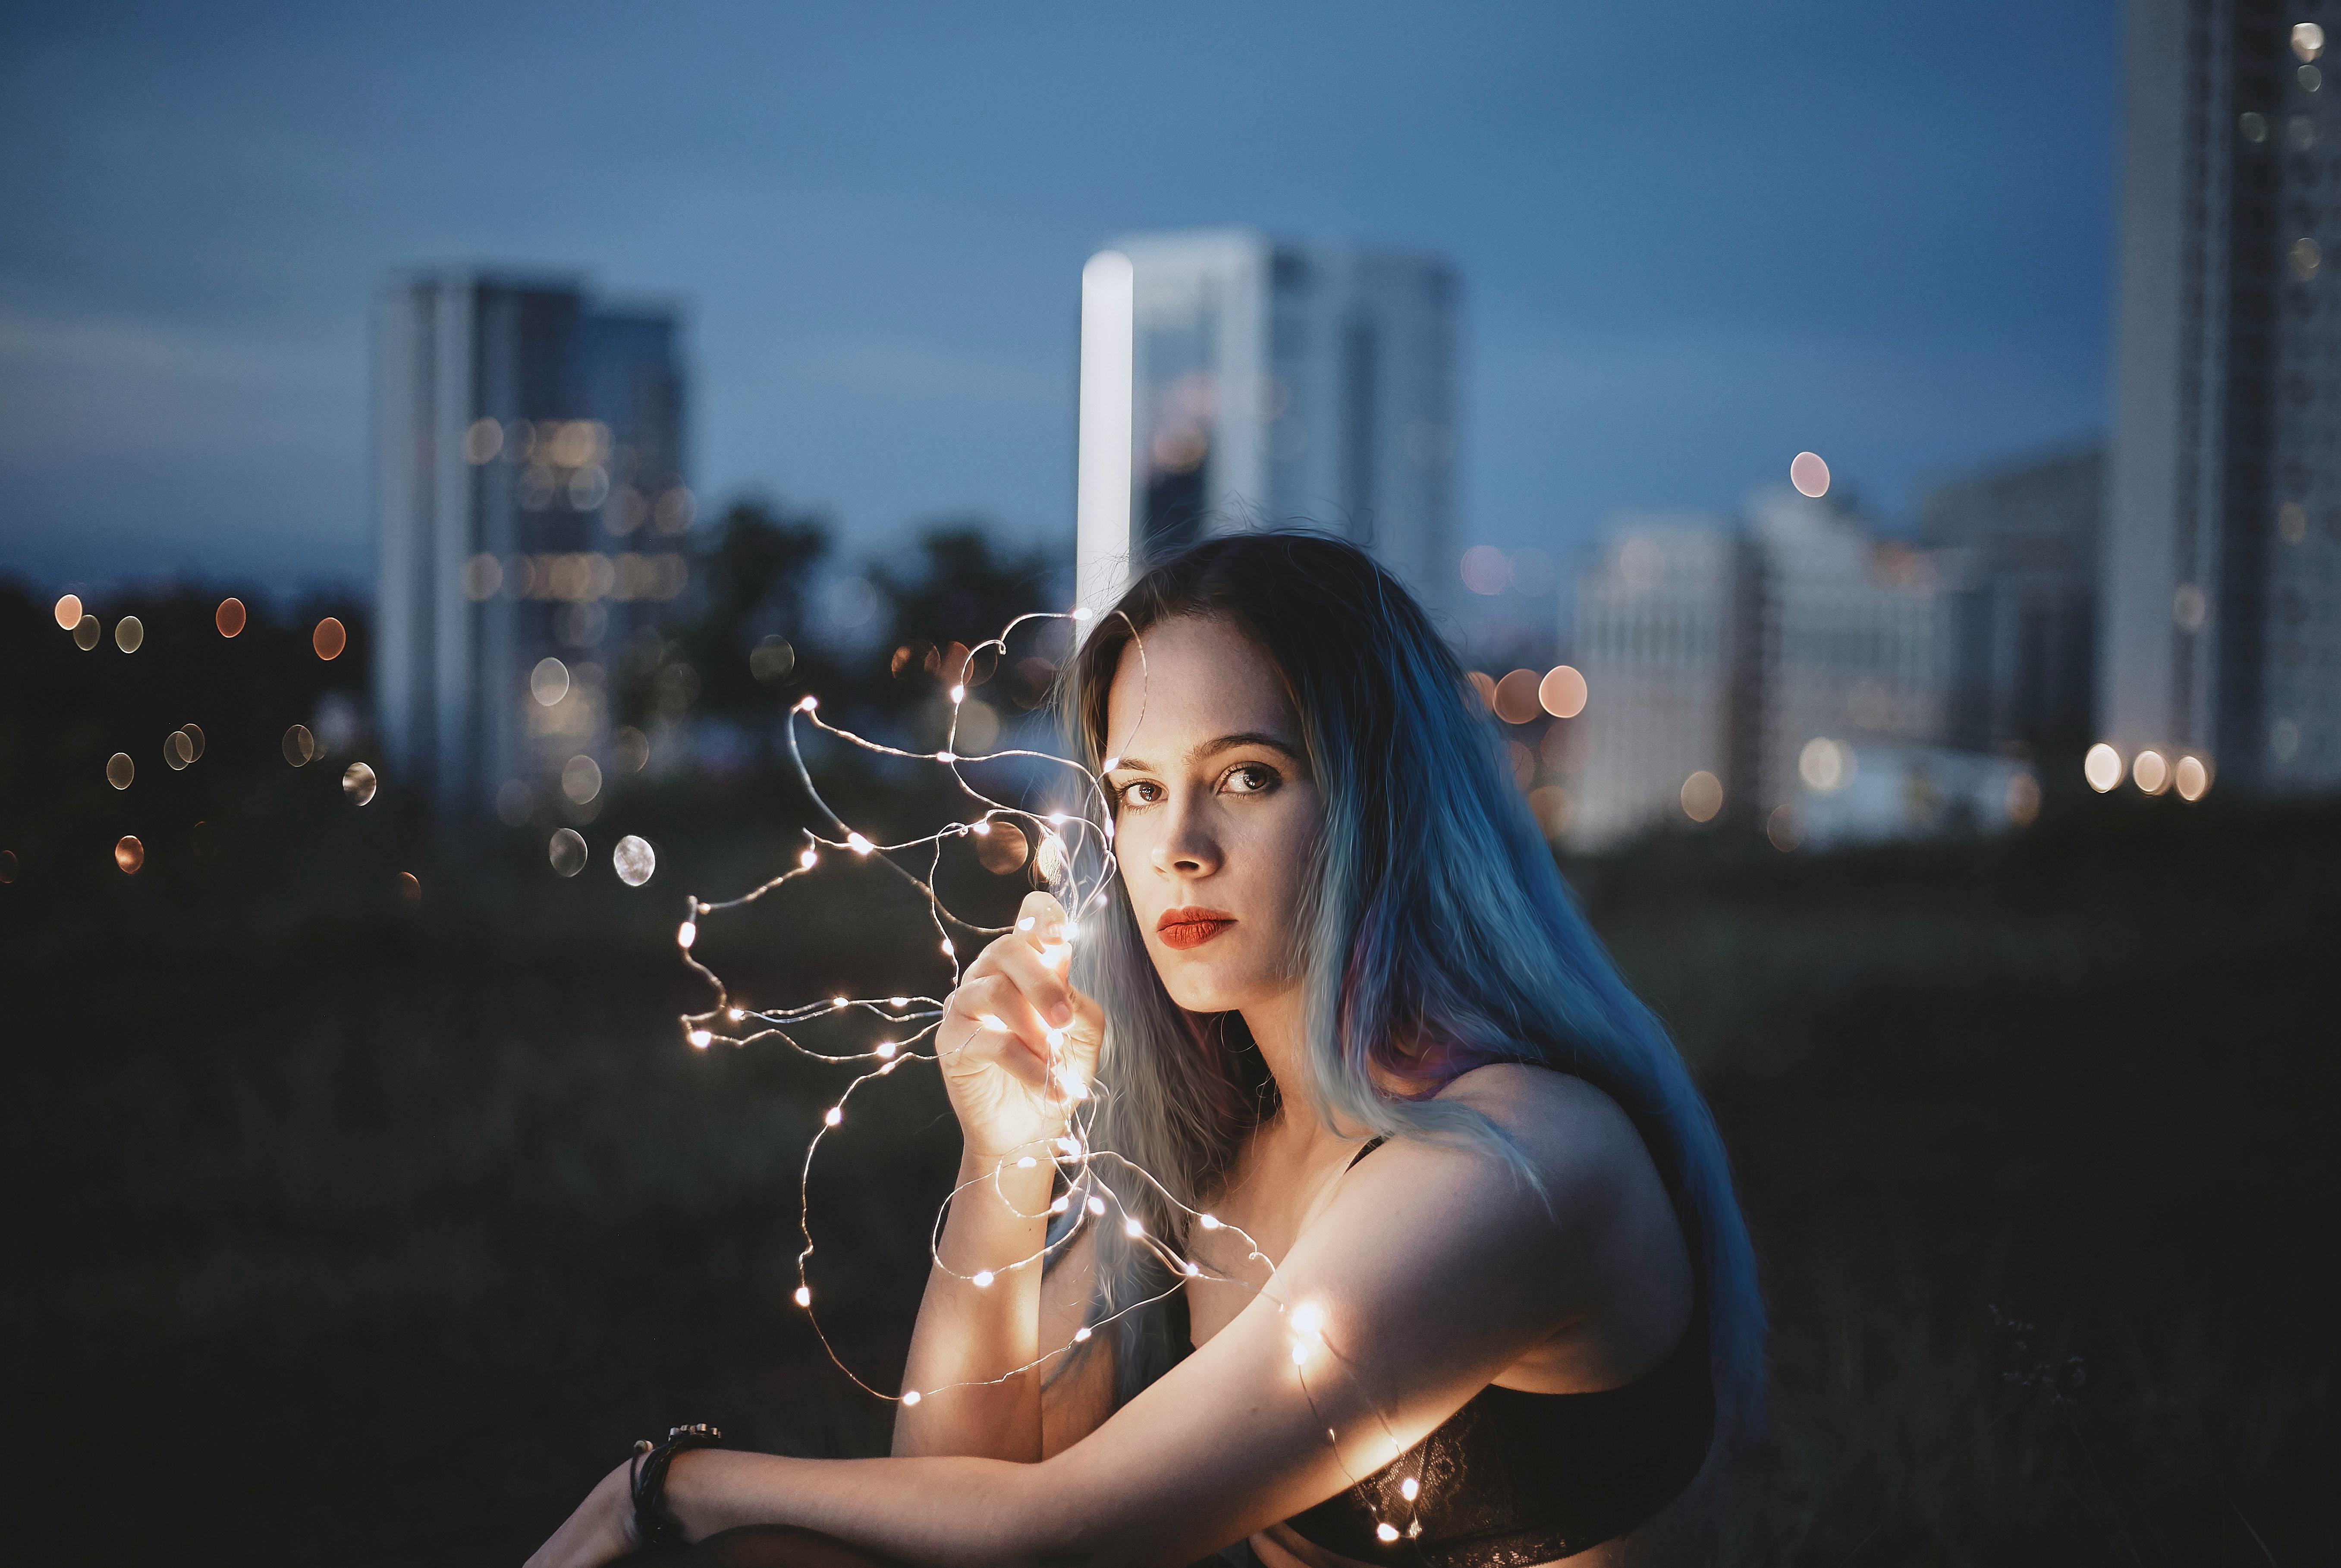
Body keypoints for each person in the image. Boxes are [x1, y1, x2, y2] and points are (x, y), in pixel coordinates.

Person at [526, 532, 1765, 1568]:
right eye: (1134, 787)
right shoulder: (1224, 1156)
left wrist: (676, 1484)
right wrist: (1002, 1160)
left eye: (1247, 776)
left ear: (1380, 797)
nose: (1177, 843)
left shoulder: (1516, 1163)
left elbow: (1057, 1532)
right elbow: (951, 1490)